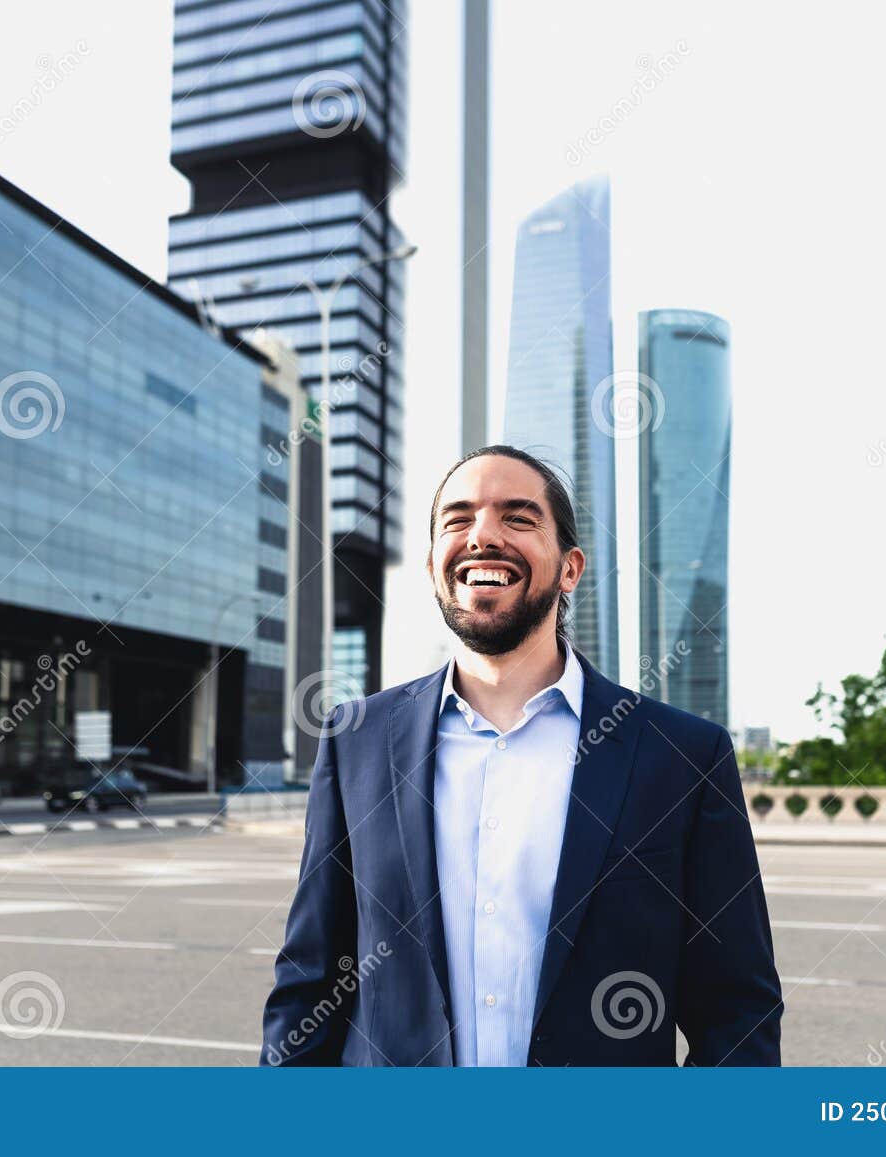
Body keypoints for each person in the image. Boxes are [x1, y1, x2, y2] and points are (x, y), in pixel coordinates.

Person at [261, 444, 781, 1066]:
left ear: (569, 569)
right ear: (432, 566)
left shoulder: (683, 756)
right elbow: (311, 979)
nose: (483, 536)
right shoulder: (356, 742)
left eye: (518, 517)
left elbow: (738, 1011)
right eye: (458, 519)